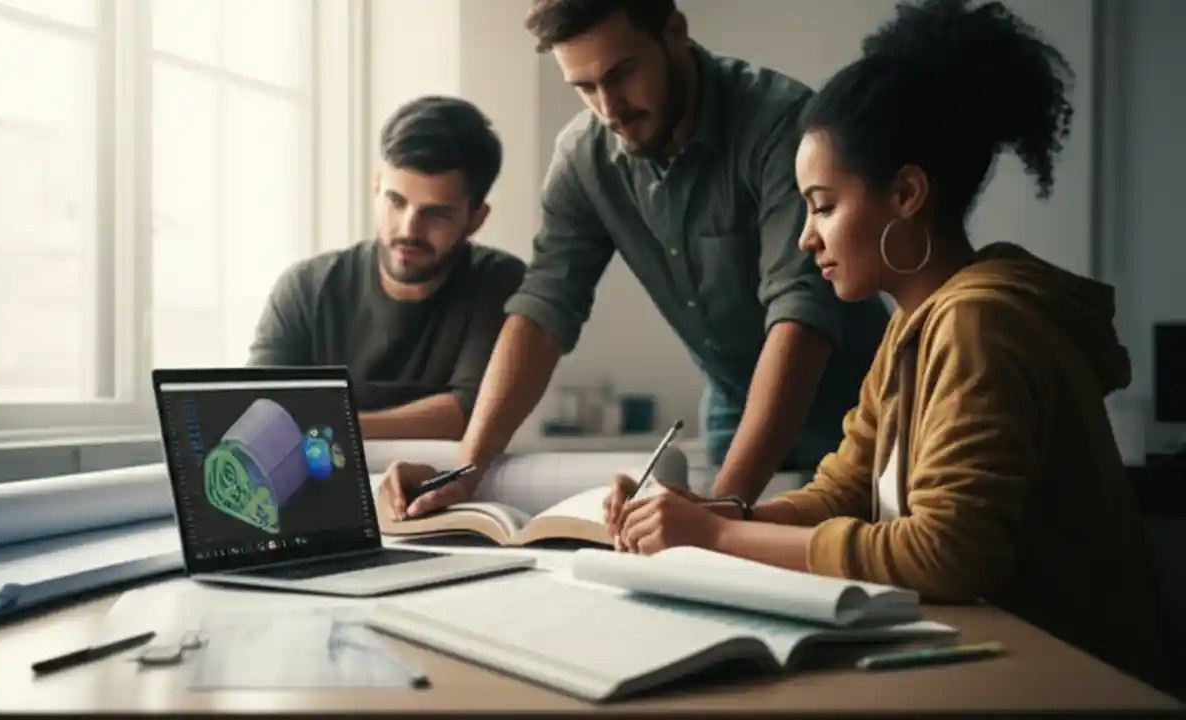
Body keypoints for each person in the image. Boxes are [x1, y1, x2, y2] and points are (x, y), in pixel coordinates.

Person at [603, 0, 1171, 692]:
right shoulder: (913, 322)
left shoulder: (979, 326)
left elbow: (947, 555)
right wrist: (711, 515)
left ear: (905, 193)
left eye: (823, 204)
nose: (807, 236)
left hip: (1075, 680)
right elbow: (844, 488)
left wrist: (718, 538)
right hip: (984, 656)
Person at [378, 0, 890, 521]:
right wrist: (464, 470)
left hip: (867, 415)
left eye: (622, 73)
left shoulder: (780, 123)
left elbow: (799, 316)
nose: (609, 108)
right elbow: (542, 311)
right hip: (735, 419)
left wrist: (718, 513)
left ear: (675, 32)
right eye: (583, 87)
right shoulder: (583, 158)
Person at [248, 96, 525, 440]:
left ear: (475, 219)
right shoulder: (305, 288)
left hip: (441, 488)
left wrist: (329, 424)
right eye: (395, 202)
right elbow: (258, 409)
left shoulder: (499, 283)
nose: (409, 228)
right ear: (377, 188)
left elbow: (473, 412)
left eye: (436, 213)